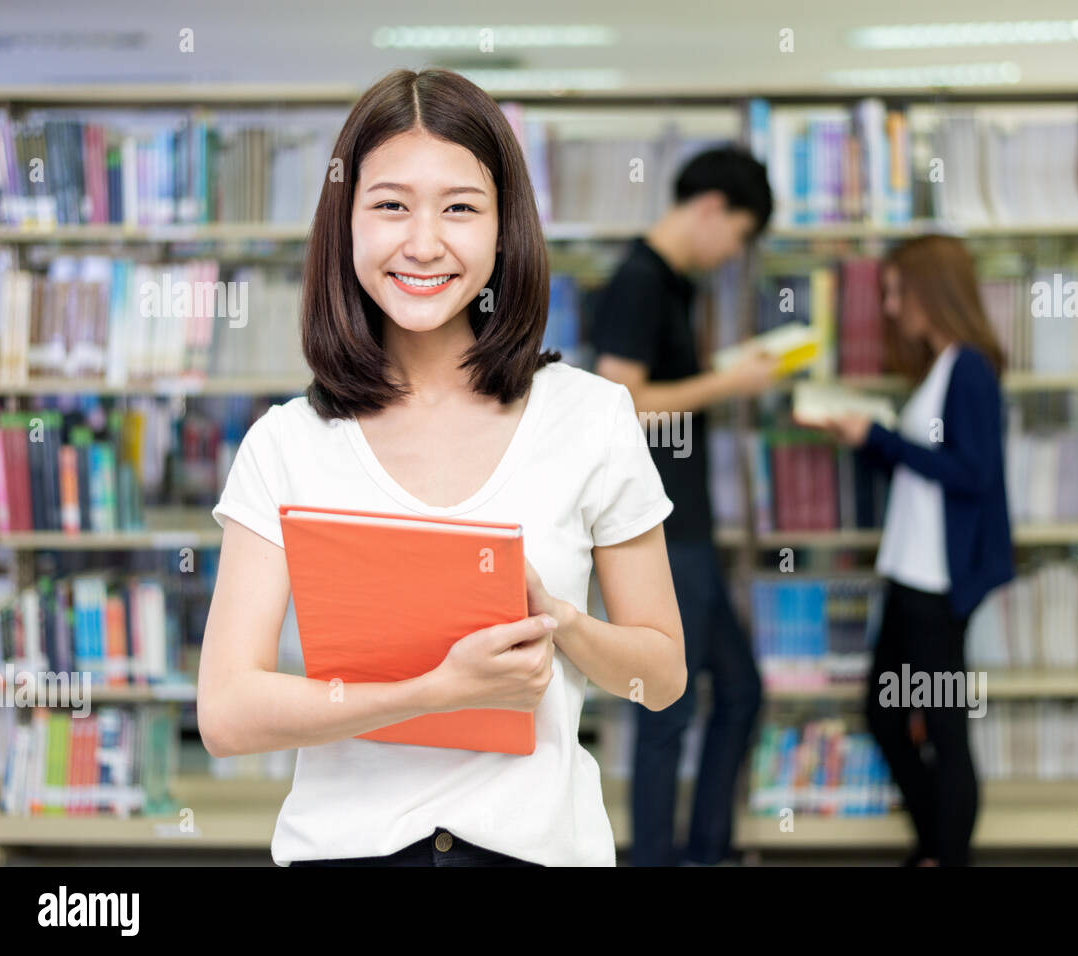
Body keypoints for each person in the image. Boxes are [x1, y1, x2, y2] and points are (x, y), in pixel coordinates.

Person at [197, 68, 685, 868]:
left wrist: (561, 623)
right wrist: (436, 693)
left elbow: (660, 678)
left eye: (460, 208)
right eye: (391, 205)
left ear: (504, 229)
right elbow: (225, 713)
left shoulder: (592, 417)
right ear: (345, 224)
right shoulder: (287, 443)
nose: (424, 243)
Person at [591, 145, 776, 866]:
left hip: (685, 522)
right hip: (660, 529)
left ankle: (705, 851)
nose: (732, 253)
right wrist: (730, 385)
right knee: (667, 706)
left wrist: (721, 374)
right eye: (738, 234)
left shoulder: (672, 283)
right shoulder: (640, 281)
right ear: (710, 207)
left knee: (739, 692)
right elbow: (623, 400)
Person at [810, 234, 1014, 867]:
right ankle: (936, 847)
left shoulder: (970, 370)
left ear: (933, 291)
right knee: (885, 715)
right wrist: (868, 441)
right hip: (910, 574)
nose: (891, 307)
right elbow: (921, 471)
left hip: (937, 584)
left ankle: (945, 855)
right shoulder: (941, 367)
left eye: (898, 292)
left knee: (944, 730)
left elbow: (973, 473)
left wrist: (882, 437)